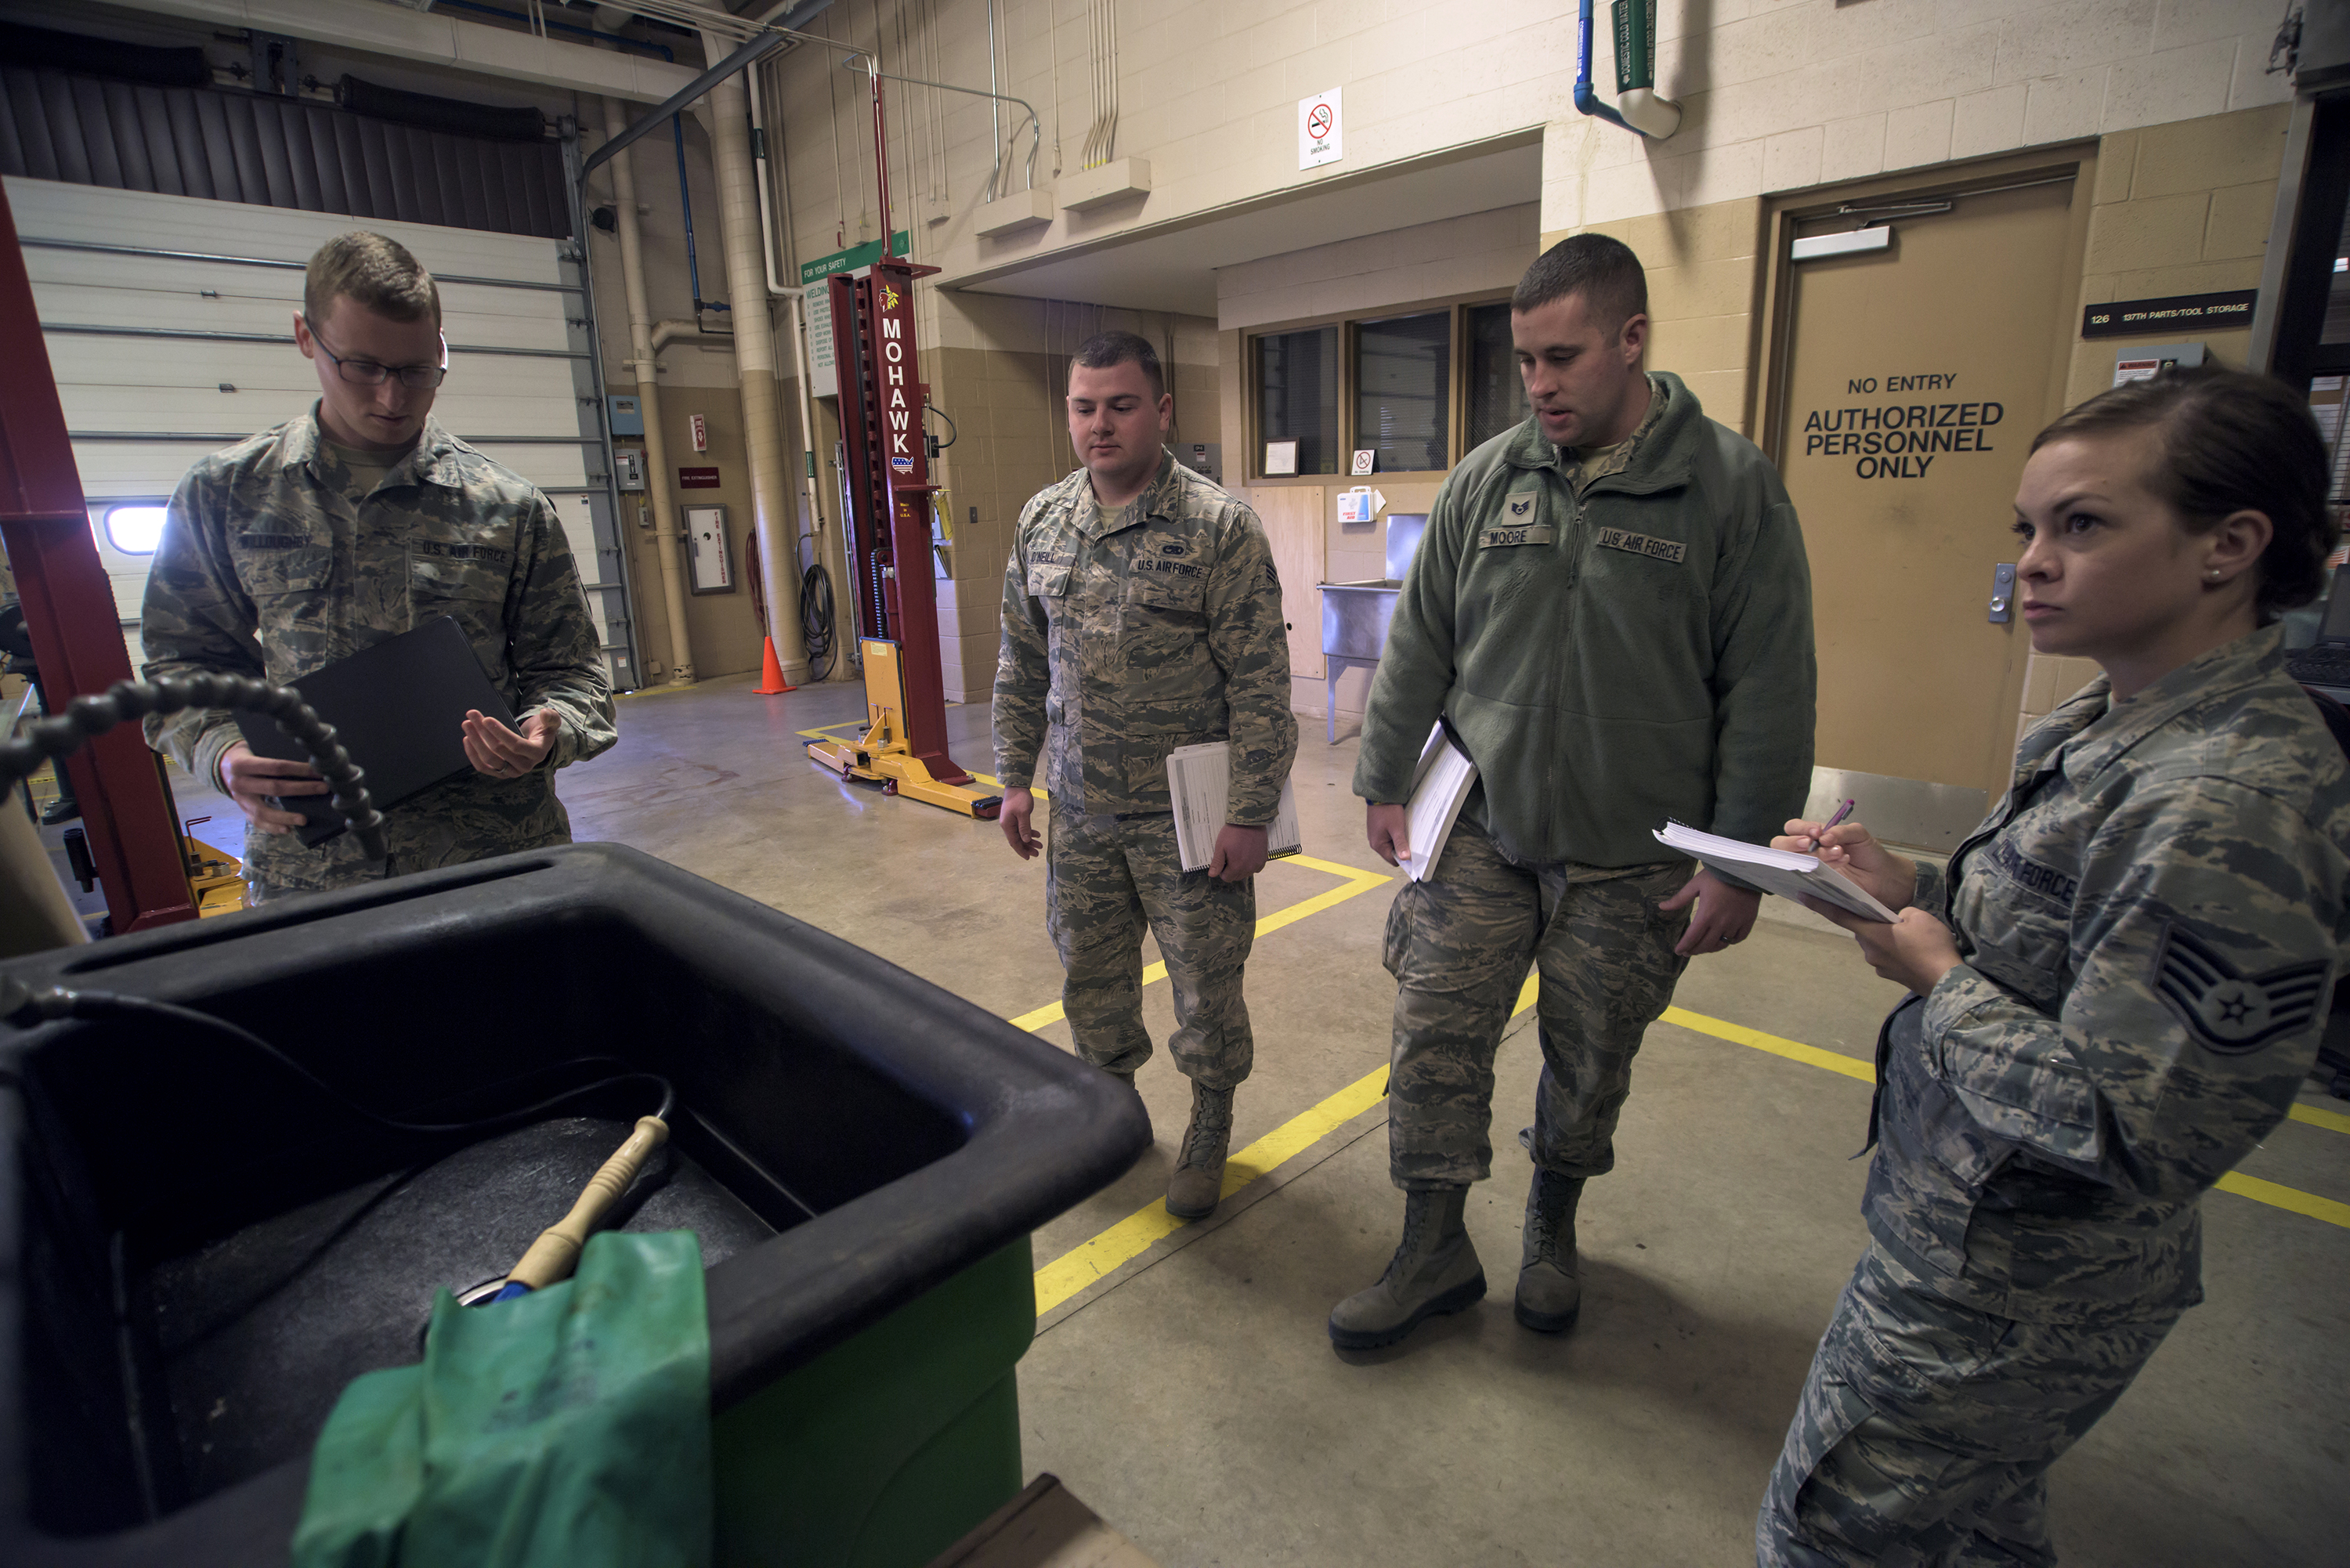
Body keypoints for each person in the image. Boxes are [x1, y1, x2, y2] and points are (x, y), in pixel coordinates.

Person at [1755, 367, 2348, 1566]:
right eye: (2029, 527)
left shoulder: (2221, 800)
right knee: (1974, 1533)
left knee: (1823, 1536)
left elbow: (2141, 1127)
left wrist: (1935, 975)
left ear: (2229, 545)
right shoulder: (2110, 722)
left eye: (2082, 525)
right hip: (1971, 1233)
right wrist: (1905, 889)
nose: (2032, 559)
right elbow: (2053, 943)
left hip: (2016, 1285)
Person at [1332, 233, 1818, 1351]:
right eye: (1526, 361)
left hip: (1633, 852)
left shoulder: (1729, 489)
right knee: (1433, 1032)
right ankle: (1434, 1243)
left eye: (1564, 356)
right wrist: (1382, 775)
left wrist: (1740, 860)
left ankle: (1553, 1223)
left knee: (1591, 1055)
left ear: (1633, 339)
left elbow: (1770, 683)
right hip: (1484, 829)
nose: (1540, 384)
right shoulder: (1489, 478)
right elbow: (1421, 642)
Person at [141, 232, 616, 899]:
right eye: (362, 366)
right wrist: (225, 753)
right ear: (306, 337)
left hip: (494, 855)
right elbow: (181, 664)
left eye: (419, 370)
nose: (393, 398)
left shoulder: (508, 508)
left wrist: (548, 729)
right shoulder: (228, 493)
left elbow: (572, 672)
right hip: (315, 874)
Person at [993, 330, 1296, 1220]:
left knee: (1206, 981)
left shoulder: (1218, 526)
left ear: (1162, 410)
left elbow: (1262, 684)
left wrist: (1249, 812)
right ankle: (1113, 1109)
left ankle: (1209, 1120)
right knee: (1091, 976)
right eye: (1084, 406)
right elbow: (1020, 660)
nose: (1100, 424)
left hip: (1186, 822)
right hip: (1081, 812)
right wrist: (1015, 777)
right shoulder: (1043, 520)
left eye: (1121, 405)